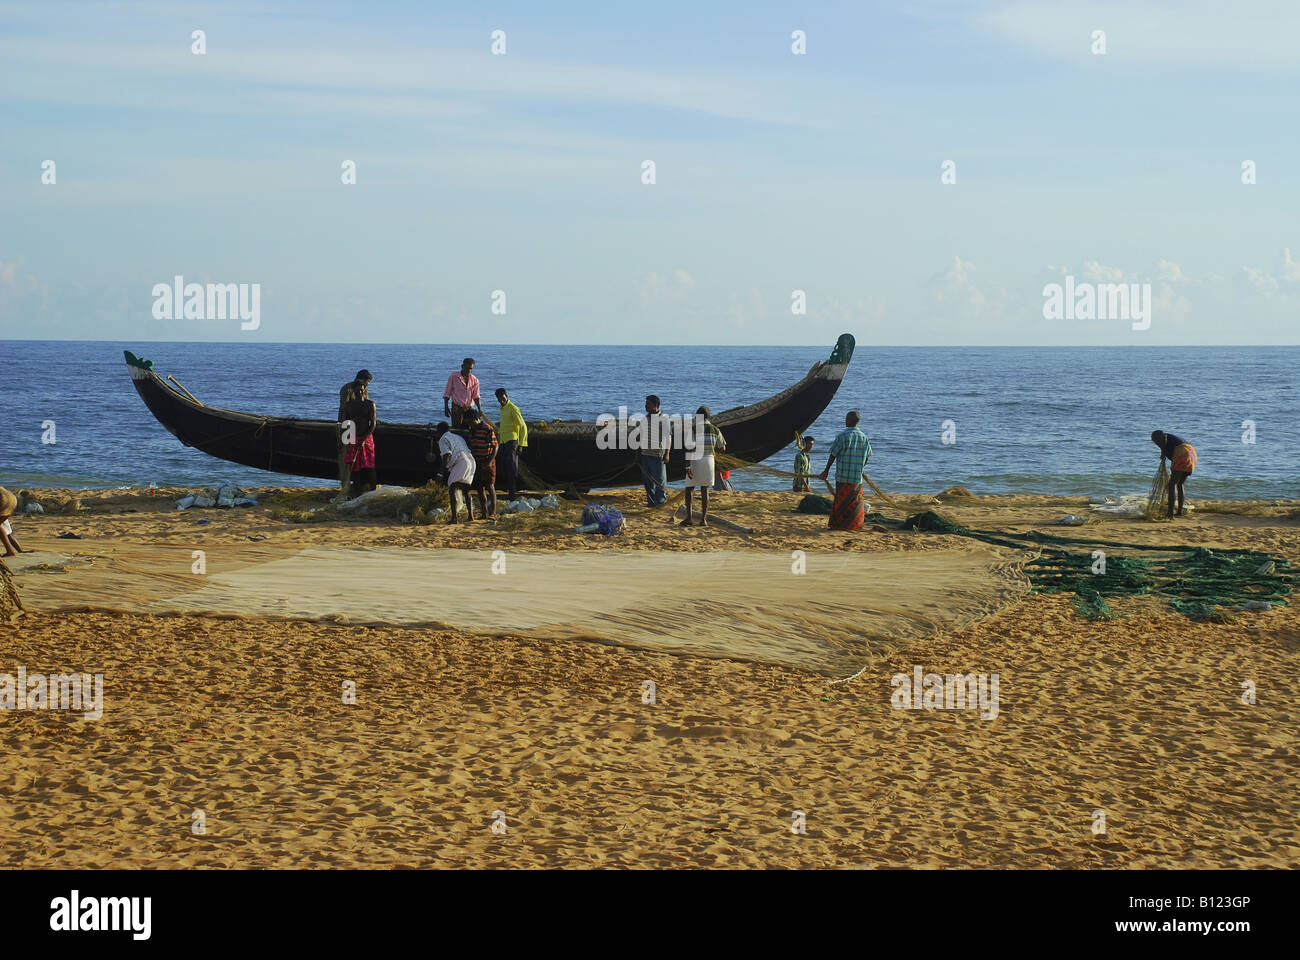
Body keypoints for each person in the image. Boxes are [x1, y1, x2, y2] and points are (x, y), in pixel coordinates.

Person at [819, 411, 871, 531]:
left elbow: (833, 455)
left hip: (842, 476)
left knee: (841, 501)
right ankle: (854, 525)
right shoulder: (864, 438)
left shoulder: (842, 436)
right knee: (854, 502)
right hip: (856, 477)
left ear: (848, 420)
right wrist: (860, 467)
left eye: (846, 418)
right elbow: (867, 456)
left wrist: (826, 470)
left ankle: (839, 525)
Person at [683, 406, 725, 526]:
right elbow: (722, 447)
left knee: (689, 489)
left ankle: (689, 518)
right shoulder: (715, 429)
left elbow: (690, 449)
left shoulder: (694, 429)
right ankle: (703, 520)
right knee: (704, 490)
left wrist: (688, 468)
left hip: (696, 460)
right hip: (709, 460)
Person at [338, 370, 372, 499]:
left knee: (359, 455)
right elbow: (344, 408)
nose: (367, 386)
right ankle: (346, 484)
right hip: (348, 425)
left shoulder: (364, 390)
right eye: (367, 382)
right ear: (362, 379)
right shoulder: (347, 389)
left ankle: (358, 483)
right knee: (348, 454)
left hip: (359, 427)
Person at [342, 379, 378, 496]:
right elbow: (346, 423)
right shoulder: (348, 405)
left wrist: (363, 439)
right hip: (353, 437)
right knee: (354, 466)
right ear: (353, 391)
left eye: (362, 390)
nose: (360, 392)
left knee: (369, 465)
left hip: (366, 438)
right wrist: (346, 441)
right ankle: (356, 489)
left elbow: (373, 424)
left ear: (365, 390)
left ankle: (372, 489)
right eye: (358, 390)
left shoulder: (370, 404)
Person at [436, 422, 477, 523]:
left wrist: (440, 473)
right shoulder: (457, 436)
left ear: (439, 431)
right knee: (466, 490)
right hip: (471, 461)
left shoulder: (443, 439)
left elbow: (446, 455)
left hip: (461, 462)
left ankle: (454, 518)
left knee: (452, 489)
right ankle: (471, 516)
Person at [1151, 430, 1197, 518]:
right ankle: (1179, 512)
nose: (1155, 443)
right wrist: (1163, 453)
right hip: (1192, 455)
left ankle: (1170, 513)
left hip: (1183, 454)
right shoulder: (1170, 441)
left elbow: (1164, 439)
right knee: (1179, 484)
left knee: (1172, 484)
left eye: (1154, 440)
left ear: (1158, 438)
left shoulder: (1164, 438)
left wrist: (1163, 452)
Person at [495, 388, 528, 500]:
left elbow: (523, 426)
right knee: (505, 468)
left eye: (503, 397)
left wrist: (521, 444)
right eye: (499, 399)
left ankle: (512, 495)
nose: (501, 400)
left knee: (512, 468)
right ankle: (509, 493)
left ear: (506, 396)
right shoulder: (502, 408)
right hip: (503, 442)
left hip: (512, 441)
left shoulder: (513, 408)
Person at [466, 410, 500, 520]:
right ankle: (484, 512)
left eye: (470, 422)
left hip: (487, 460)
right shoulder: (472, 430)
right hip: (476, 461)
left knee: (490, 486)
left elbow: (495, 446)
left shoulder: (487, 429)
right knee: (479, 487)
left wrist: (489, 462)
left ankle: (493, 512)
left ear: (476, 419)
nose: (469, 425)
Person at [640, 395, 671, 507]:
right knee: (648, 481)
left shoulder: (663, 419)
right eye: (646, 404)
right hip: (645, 454)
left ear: (656, 405)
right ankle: (651, 502)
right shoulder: (645, 418)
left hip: (658, 455)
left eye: (648, 404)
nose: (645, 406)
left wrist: (667, 453)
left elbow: (668, 437)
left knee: (660, 480)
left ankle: (661, 502)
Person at [443, 358, 481, 429]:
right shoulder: (454, 376)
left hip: (469, 409)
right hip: (457, 408)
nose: (469, 371)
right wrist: (446, 407)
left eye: (471, 369)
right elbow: (447, 393)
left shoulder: (474, 380)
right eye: (467, 368)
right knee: (457, 429)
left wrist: (479, 409)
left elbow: (476, 396)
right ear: (462, 366)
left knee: (469, 429)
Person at [0, 487, 23, 557]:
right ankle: (19, 550)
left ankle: (10, 551)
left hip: (3, 500)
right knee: (6, 530)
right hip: (11, 498)